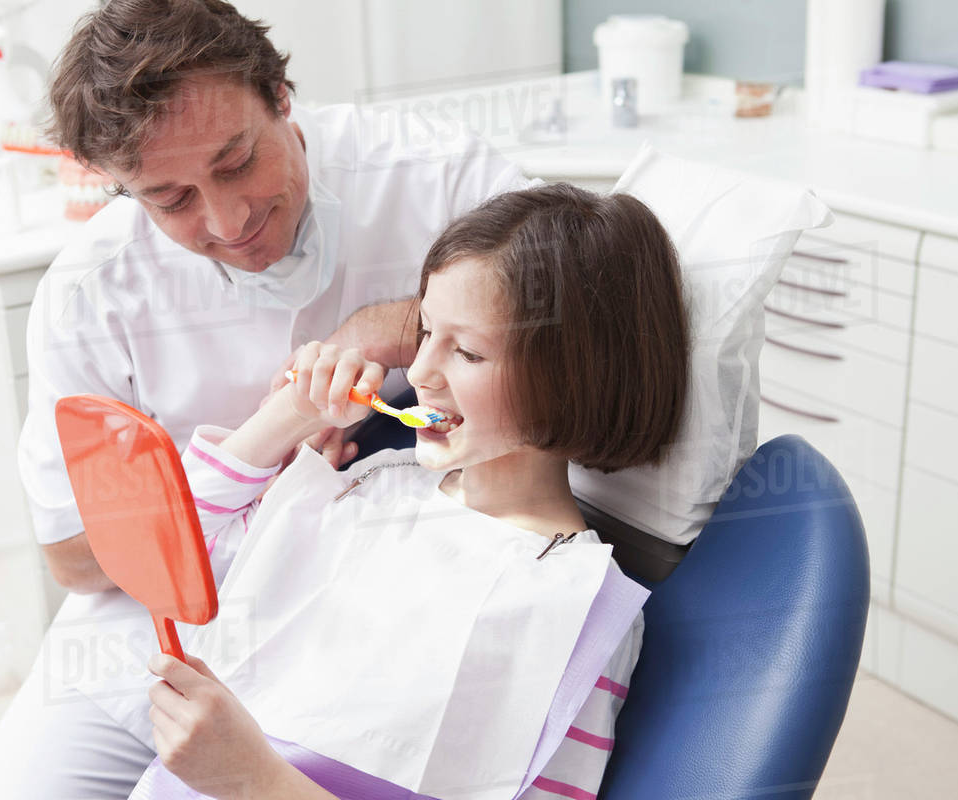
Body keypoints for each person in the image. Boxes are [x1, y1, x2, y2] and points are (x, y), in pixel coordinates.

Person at [129, 183, 690, 799]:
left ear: (576, 377)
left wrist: (252, 780)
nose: (419, 373)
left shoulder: (578, 610)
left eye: (468, 352)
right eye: (424, 333)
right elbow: (158, 558)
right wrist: (290, 414)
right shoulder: (373, 483)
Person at [20, 0, 535, 596]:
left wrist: (393, 329)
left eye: (237, 163)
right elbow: (74, 560)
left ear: (279, 94)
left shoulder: (430, 170)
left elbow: (581, 286)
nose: (228, 220)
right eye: (171, 200)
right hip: (192, 589)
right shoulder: (87, 296)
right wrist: (266, 443)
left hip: (401, 558)